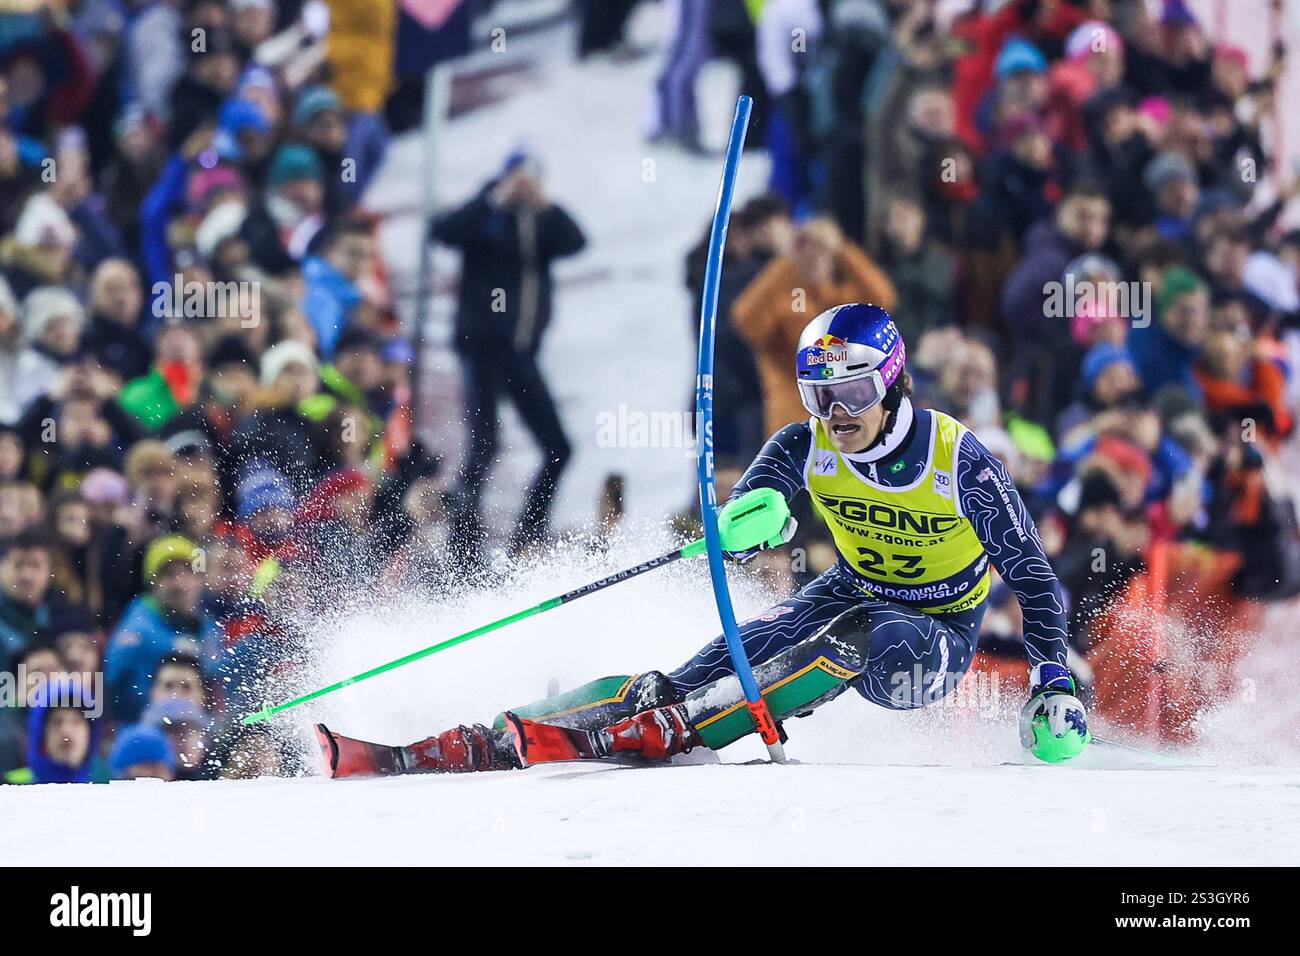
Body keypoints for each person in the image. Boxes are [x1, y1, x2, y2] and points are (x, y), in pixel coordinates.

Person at [317, 304, 1090, 778]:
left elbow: (1029, 570)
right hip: (854, 583)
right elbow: (748, 508)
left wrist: (1052, 676)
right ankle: (625, 707)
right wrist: (749, 521)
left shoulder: (957, 461)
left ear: (892, 385)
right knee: (740, 643)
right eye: (822, 395)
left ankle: (699, 726)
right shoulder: (805, 443)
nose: (838, 412)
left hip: (936, 631)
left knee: (872, 636)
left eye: (854, 393)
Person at [431, 149, 586, 557]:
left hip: (522, 353)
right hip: (483, 349)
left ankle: (528, 537)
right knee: (484, 446)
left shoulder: (541, 224)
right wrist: (494, 200)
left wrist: (545, 204)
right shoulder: (485, 215)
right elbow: (443, 231)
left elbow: (577, 242)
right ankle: (462, 550)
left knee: (558, 447)